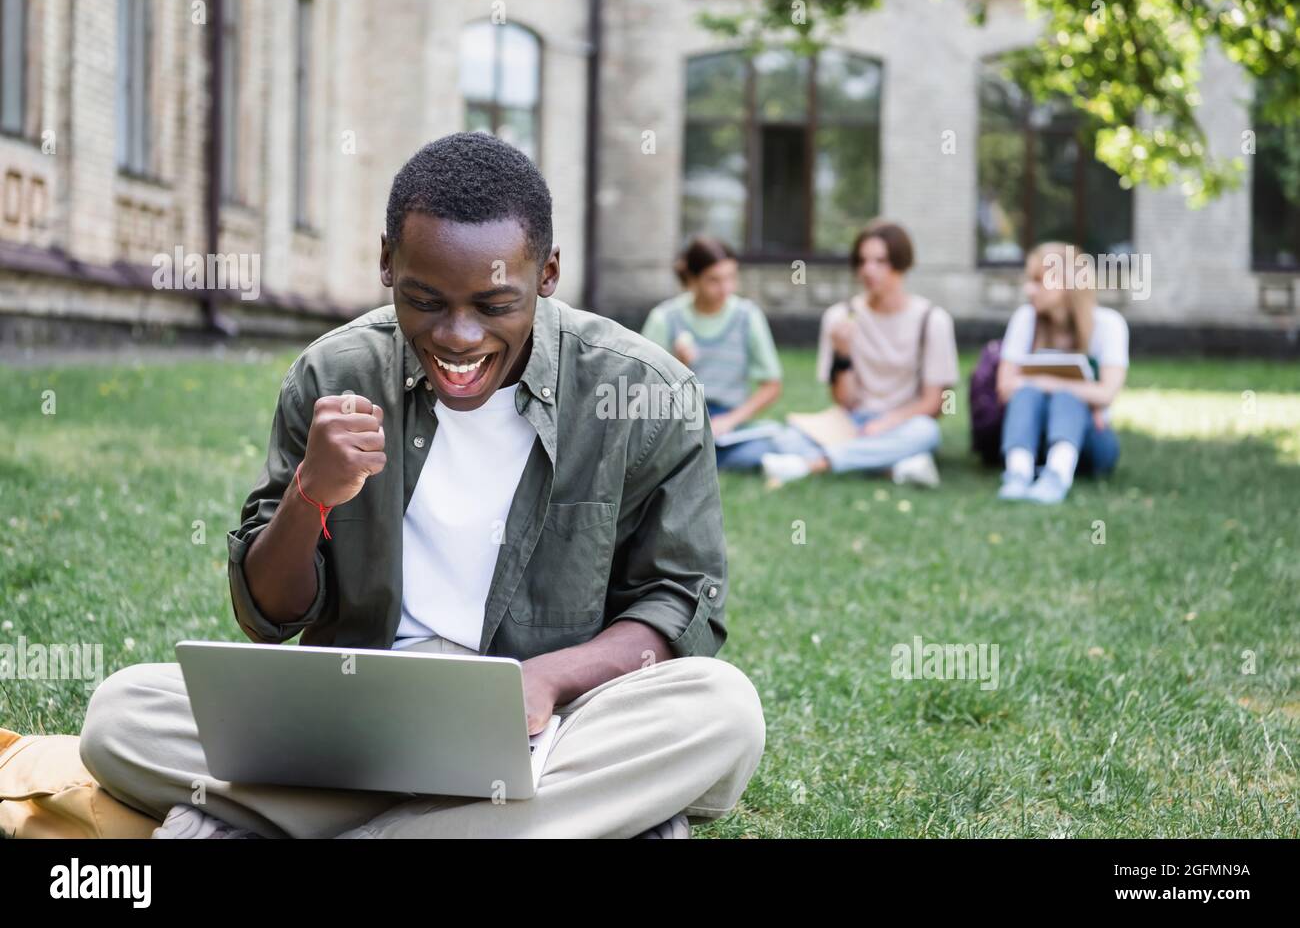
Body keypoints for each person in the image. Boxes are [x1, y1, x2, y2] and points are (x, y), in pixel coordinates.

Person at [7, 133, 765, 840]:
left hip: (555, 719)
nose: (457, 338)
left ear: (549, 273)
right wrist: (311, 493)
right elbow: (267, 615)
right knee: (122, 714)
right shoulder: (334, 374)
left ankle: (322, 822)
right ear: (386, 264)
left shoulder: (643, 390)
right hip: (355, 718)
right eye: (425, 300)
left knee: (722, 713)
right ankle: (522, 822)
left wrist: (544, 681)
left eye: (494, 305)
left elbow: (678, 601)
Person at [759, 220, 959, 487]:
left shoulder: (932, 320)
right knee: (788, 437)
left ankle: (816, 464)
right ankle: (894, 467)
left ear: (903, 264)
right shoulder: (839, 317)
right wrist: (843, 355)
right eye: (862, 261)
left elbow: (934, 404)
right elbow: (845, 400)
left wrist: (886, 423)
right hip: (852, 420)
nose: (868, 270)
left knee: (927, 432)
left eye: (880, 261)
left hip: (903, 422)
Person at [996, 241, 1128, 504]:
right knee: (1027, 393)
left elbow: (1106, 394)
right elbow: (1005, 388)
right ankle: (1018, 473)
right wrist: (1038, 385)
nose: (1029, 289)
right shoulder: (1025, 320)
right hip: (1035, 435)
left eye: (1039, 281)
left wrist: (1046, 381)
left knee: (1067, 396)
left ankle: (1057, 474)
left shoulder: (1108, 325)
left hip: (1091, 442)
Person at [640, 237, 784, 470]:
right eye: (714, 280)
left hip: (728, 421)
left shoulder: (747, 316)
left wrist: (730, 420)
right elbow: (642, 391)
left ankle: (696, 459)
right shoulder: (665, 318)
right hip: (679, 418)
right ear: (692, 279)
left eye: (731, 277)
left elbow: (772, 385)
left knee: (771, 442)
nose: (726, 288)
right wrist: (677, 365)